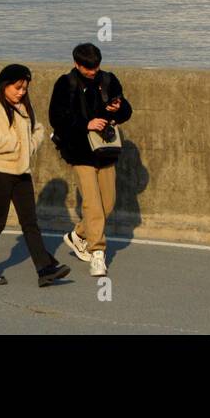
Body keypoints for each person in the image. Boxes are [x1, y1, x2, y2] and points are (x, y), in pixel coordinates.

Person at [0, 63, 70, 287]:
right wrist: (16, 144)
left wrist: (29, 145)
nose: (21, 92)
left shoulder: (22, 107)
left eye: (24, 88)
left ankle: (44, 269)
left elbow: (39, 129)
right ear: (5, 85)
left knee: (30, 222)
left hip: (22, 173)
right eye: (17, 87)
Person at [47, 43, 133, 278]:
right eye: (88, 68)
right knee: (93, 203)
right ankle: (97, 253)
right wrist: (86, 124)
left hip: (105, 151)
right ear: (77, 64)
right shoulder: (65, 84)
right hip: (79, 151)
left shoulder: (108, 80)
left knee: (108, 203)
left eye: (95, 66)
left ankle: (78, 235)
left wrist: (118, 108)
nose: (93, 71)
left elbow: (126, 112)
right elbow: (56, 118)